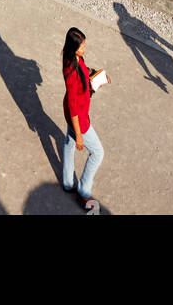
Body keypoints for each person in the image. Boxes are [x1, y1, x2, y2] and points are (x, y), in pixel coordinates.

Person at [61, 26, 104, 212]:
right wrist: (80, 134)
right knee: (97, 152)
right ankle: (84, 190)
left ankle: (68, 182)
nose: (84, 49)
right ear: (73, 48)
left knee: (69, 143)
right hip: (79, 117)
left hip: (76, 113)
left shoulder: (77, 60)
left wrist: (98, 78)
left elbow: (85, 76)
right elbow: (73, 106)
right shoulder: (70, 72)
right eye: (81, 47)